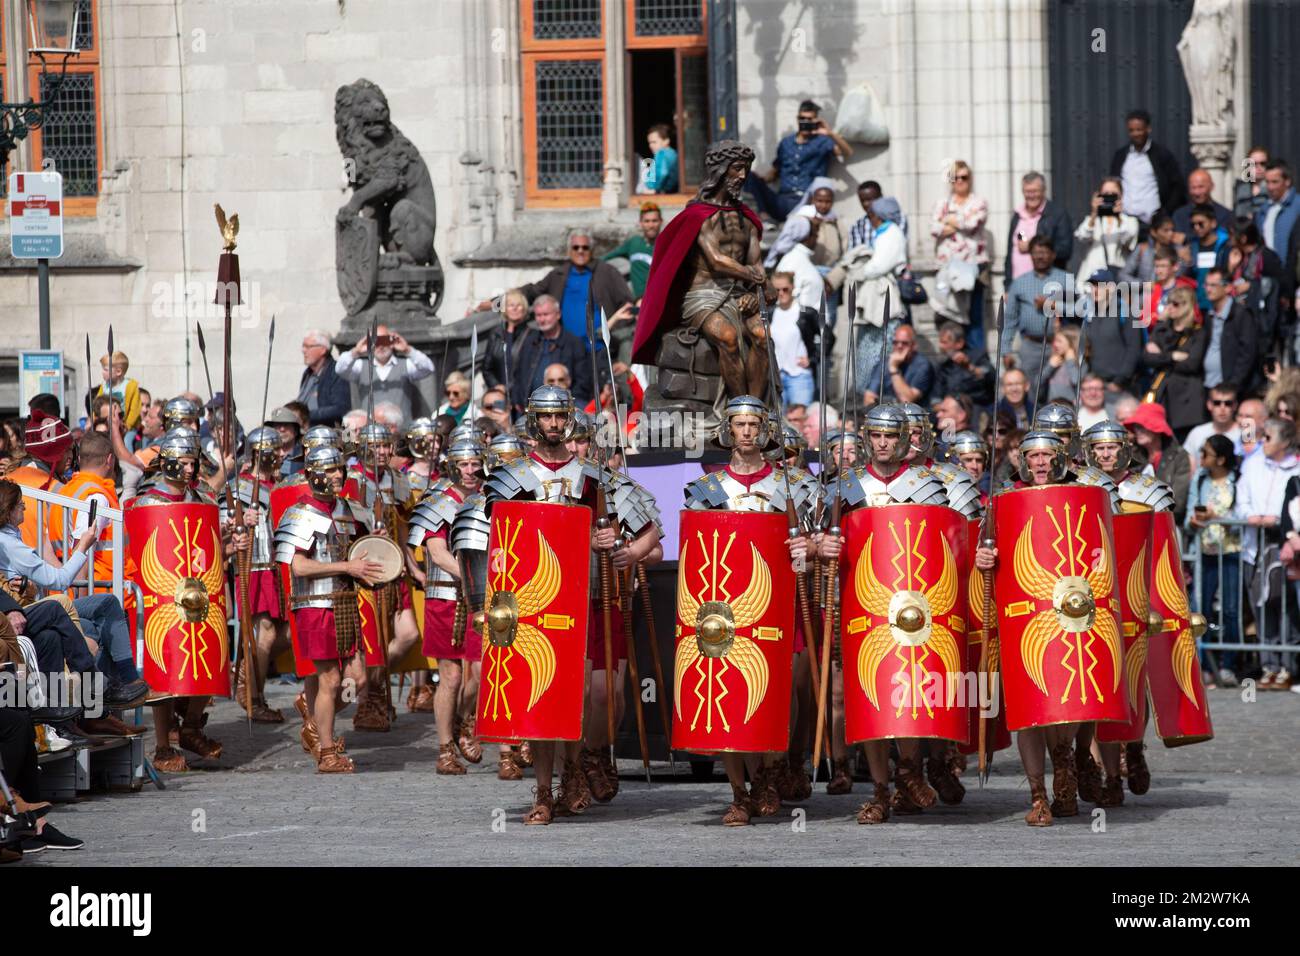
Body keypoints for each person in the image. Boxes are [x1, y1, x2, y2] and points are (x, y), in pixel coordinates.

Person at [483, 386, 661, 824]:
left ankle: (578, 768)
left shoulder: (597, 478)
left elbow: (650, 532)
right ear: (534, 423)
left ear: (569, 420)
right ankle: (545, 790)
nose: (554, 425)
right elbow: (500, 541)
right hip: (536, 603)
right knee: (544, 698)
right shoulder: (512, 478)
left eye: (560, 417)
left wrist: (620, 548)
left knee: (590, 695)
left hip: (592, 598)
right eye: (545, 418)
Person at [816, 404, 959, 823]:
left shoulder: (925, 485)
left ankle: (909, 771)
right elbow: (816, 540)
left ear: (903, 440)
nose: (882, 444)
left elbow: (944, 545)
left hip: (913, 607)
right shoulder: (845, 487)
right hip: (861, 604)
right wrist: (823, 546)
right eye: (876, 436)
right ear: (867, 439)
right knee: (867, 697)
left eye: (890, 437)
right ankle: (880, 789)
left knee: (908, 693)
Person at [681, 396, 812, 824]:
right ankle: (738, 791)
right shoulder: (707, 491)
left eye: (754, 424)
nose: (748, 431)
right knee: (727, 695)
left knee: (780, 691)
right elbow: (697, 553)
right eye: (739, 424)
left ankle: (770, 773)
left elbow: (812, 547)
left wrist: (805, 547)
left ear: (765, 430)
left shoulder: (792, 485)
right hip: (723, 611)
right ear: (729, 431)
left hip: (775, 604)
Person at [274, 445, 386, 772]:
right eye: (330, 470)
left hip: (346, 604)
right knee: (332, 679)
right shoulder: (298, 513)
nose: (338, 475)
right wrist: (345, 568)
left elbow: (363, 553)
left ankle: (314, 719)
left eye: (340, 469)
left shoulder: (348, 511)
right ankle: (327, 751)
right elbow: (298, 567)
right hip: (315, 606)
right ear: (313, 474)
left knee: (358, 679)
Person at [632, 140, 771, 400]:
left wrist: (760, 290)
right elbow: (717, 260)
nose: (742, 176)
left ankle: (755, 409)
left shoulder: (747, 219)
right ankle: (738, 409)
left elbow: (757, 263)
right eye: (737, 168)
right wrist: (755, 277)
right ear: (720, 170)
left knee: (763, 336)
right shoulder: (699, 215)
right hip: (703, 296)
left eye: (745, 170)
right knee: (728, 338)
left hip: (739, 292)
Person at [407, 437, 493, 774]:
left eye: (475, 464)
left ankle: (463, 718)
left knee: (482, 672)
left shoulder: (491, 496)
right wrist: (472, 575)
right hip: (445, 596)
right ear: (452, 466)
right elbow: (437, 551)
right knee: (451, 676)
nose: (470, 471)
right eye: (464, 464)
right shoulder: (439, 501)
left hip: (478, 597)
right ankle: (445, 749)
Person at [223, 427, 292, 723]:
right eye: (274, 450)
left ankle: (245, 675)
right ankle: (254, 696)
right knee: (265, 632)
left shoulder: (282, 485)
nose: (280, 454)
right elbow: (222, 523)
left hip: (279, 567)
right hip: (254, 566)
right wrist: (241, 519)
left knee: (288, 634)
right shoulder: (240, 487)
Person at [489, 229, 635, 350]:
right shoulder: (559, 274)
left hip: (600, 348)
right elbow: (532, 291)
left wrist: (612, 331)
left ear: (592, 250)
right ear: (569, 251)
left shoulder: (606, 272)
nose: (580, 251)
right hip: (566, 348)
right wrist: (496, 303)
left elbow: (627, 304)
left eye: (585, 247)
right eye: (576, 247)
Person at [1237, 417, 1300, 690]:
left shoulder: (1296, 467)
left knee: (1284, 605)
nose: (1263, 442)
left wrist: (1276, 519)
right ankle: (1269, 665)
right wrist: (1249, 515)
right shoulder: (1253, 464)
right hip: (1255, 545)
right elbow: (1241, 497)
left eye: (1269, 438)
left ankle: (1288, 665)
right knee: (1260, 605)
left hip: (1284, 545)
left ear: (1285, 442)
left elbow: (1291, 505)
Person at [1187, 434, 1243, 687]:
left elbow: (1242, 513)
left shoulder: (1236, 480)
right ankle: (1205, 666)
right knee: (1202, 609)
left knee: (1231, 609)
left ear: (1220, 459)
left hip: (1231, 551)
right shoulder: (1199, 479)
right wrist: (1194, 520)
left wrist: (1216, 515)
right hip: (1205, 552)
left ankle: (1228, 664)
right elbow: (1190, 510)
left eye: (1205, 454)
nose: (1201, 459)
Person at [842, 197, 908, 401]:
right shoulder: (884, 233)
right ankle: (864, 392)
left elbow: (879, 266)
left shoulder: (891, 233)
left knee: (880, 352)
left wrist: (861, 270)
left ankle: (875, 394)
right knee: (866, 352)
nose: (870, 220)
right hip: (874, 303)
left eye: (872, 215)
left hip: (883, 300)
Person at [746, 100, 852, 222]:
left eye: (809, 119)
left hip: (806, 202)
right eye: (802, 118)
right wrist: (758, 181)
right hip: (782, 200)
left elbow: (847, 153)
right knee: (747, 175)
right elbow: (775, 171)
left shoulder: (823, 141)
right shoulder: (786, 143)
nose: (805, 122)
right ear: (797, 118)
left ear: (816, 120)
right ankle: (764, 218)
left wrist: (830, 133)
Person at [929, 160, 991, 352]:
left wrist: (949, 221)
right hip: (946, 269)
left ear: (970, 179)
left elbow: (974, 223)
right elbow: (933, 228)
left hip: (974, 268)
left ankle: (977, 365)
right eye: (955, 177)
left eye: (964, 177)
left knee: (974, 319)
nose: (960, 181)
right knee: (945, 314)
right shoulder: (942, 203)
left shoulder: (979, 202)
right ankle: (950, 360)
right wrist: (960, 221)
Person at [1140, 286, 1208, 442]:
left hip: (1185, 401)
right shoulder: (1162, 328)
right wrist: (1172, 356)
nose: (1169, 307)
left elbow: (1192, 364)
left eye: (1175, 304)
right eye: (1169, 303)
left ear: (1187, 305)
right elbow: (1146, 358)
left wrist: (1160, 357)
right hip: (1162, 395)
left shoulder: (1197, 333)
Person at [335, 325, 435, 422]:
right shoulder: (361, 366)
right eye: (376, 342)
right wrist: (356, 351)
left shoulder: (406, 365)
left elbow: (428, 368)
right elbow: (340, 369)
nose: (381, 346)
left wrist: (407, 350)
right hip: (372, 432)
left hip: (401, 431)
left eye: (385, 341)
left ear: (392, 341)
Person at [1109, 108, 1187, 229]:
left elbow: (1176, 186)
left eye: (1139, 129)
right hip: (1125, 221)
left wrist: (1164, 213)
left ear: (1148, 129)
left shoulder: (1162, 155)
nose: (1135, 134)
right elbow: (1113, 183)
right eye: (1131, 130)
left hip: (1152, 222)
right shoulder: (1121, 156)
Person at [511, 294, 593, 409]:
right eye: (538, 315)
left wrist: (567, 405)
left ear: (558, 314)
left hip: (563, 409)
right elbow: (518, 375)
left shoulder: (574, 343)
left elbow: (583, 381)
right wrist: (517, 399)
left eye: (546, 314)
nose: (542, 319)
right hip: (531, 408)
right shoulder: (529, 342)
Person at [1005, 235, 1069, 376]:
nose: (1040, 257)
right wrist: (1005, 350)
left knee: (1058, 390)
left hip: (1058, 345)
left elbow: (1077, 311)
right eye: (1036, 253)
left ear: (1053, 255)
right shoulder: (1019, 282)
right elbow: (1010, 319)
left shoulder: (1065, 279)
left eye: (1044, 253)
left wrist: (1051, 305)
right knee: (1031, 389)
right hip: (1030, 346)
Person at [1123, 402, 1192, 521]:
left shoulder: (1178, 456)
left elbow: (1178, 502)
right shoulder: (1132, 455)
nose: (1137, 431)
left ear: (1157, 429)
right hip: (1134, 521)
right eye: (1136, 427)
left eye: (1142, 427)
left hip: (1168, 523)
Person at [1202, 268, 1260, 398]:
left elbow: (1247, 353)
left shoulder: (1241, 314)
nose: (1208, 289)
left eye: (1213, 285)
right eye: (1206, 284)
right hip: (1209, 385)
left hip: (1230, 390)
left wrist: (1233, 384)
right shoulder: (1209, 316)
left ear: (1228, 287)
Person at [1005, 170, 1073, 281]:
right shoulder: (1017, 216)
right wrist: (1008, 285)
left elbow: (1065, 250)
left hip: (1048, 283)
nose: (1031, 196)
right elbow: (1009, 253)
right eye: (1027, 191)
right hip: (1018, 284)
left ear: (1043, 191)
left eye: (1035, 191)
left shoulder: (1057, 214)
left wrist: (1033, 247)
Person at [1083, 275, 1142, 398]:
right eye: (1092, 286)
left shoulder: (1126, 313)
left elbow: (1134, 349)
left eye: (1099, 286)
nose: (1095, 290)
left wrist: (1119, 381)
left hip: (1119, 388)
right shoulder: (1091, 314)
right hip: (1095, 385)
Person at [1074, 177, 1140, 284]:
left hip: (1115, 278)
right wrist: (1094, 213)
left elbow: (1128, 241)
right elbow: (1082, 236)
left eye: (1113, 194)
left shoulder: (1130, 221)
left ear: (1121, 196)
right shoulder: (1092, 220)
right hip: (1091, 278)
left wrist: (1118, 217)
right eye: (1106, 194)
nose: (1109, 197)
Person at [770, 272, 816, 408]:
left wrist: (812, 359)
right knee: (777, 423)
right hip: (776, 377)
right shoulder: (770, 313)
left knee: (799, 421)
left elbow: (827, 338)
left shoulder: (806, 313)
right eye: (777, 290)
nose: (781, 293)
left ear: (792, 287)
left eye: (785, 289)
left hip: (799, 376)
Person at [602, 202, 662, 302]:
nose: (651, 225)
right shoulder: (633, 243)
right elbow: (608, 257)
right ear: (641, 223)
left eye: (654, 221)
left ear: (661, 221)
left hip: (657, 301)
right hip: (636, 301)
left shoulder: (667, 245)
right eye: (647, 221)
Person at [481, 288, 532, 405]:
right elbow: (487, 368)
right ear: (505, 309)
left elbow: (530, 369)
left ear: (524, 309)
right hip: (499, 395)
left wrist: (511, 387)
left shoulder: (531, 334)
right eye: (510, 305)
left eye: (518, 305)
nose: (514, 308)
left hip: (522, 396)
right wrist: (496, 386)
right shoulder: (496, 334)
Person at [862, 324, 934, 407]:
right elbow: (868, 398)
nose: (899, 346)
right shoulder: (884, 363)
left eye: (905, 343)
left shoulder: (922, 365)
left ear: (914, 345)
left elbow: (907, 400)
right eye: (895, 343)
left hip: (912, 416)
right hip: (886, 414)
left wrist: (894, 368)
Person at [933, 321, 994, 407]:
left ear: (959, 343)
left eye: (944, 342)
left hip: (978, 409)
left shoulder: (978, 356)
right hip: (952, 413)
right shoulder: (942, 365)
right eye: (940, 342)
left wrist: (969, 366)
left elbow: (991, 375)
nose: (941, 347)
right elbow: (936, 398)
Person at [1183, 204, 1232, 313]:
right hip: (1198, 305)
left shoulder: (1226, 246)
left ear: (1213, 223)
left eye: (1201, 224)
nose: (1197, 228)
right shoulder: (1191, 247)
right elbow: (1186, 278)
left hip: (1220, 305)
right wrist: (1187, 263)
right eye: (1193, 225)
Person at [298, 330, 351, 427]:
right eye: (303, 346)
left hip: (326, 434)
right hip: (304, 432)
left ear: (323, 349)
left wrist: (305, 415)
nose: (303, 350)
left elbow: (341, 409)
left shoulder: (336, 372)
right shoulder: (308, 373)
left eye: (308, 346)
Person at [774, 216, 825, 312]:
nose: (816, 239)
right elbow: (786, 297)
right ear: (806, 236)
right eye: (815, 235)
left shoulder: (799, 258)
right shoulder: (792, 260)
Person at [1256, 159, 1300, 269]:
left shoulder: (1297, 205)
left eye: (1275, 182)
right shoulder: (1263, 210)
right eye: (1267, 182)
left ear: (1287, 181)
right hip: (1268, 274)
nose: (1270, 187)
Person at [1171, 168, 1233, 241]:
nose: (1197, 192)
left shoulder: (1224, 214)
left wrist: (1187, 237)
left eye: (1201, 187)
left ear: (1211, 186)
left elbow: (1223, 238)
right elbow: (1177, 239)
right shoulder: (1180, 215)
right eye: (1193, 188)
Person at [1183, 384, 1240, 459]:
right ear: (1209, 405)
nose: (1222, 408)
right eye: (1217, 403)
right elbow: (1188, 466)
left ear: (1235, 405)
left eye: (1228, 403)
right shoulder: (1196, 433)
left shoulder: (1246, 432)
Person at [96, 351, 142, 432]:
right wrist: (95, 420)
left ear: (118, 371)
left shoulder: (131, 386)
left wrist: (127, 425)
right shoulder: (104, 386)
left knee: (128, 441)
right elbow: (97, 405)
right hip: (106, 425)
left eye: (105, 370)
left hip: (125, 426)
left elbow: (135, 409)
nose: (102, 372)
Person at [1234, 146, 1270, 226]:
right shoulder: (1241, 189)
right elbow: (1239, 215)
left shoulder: (1273, 189)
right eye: (1254, 164)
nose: (1259, 167)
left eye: (1263, 164)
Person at [639, 123, 678, 194]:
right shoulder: (674, 153)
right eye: (649, 143)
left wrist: (656, 190)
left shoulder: (661, 153)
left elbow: (663, 173)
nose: (650, 145)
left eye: (654, 142)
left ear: (666, 141)